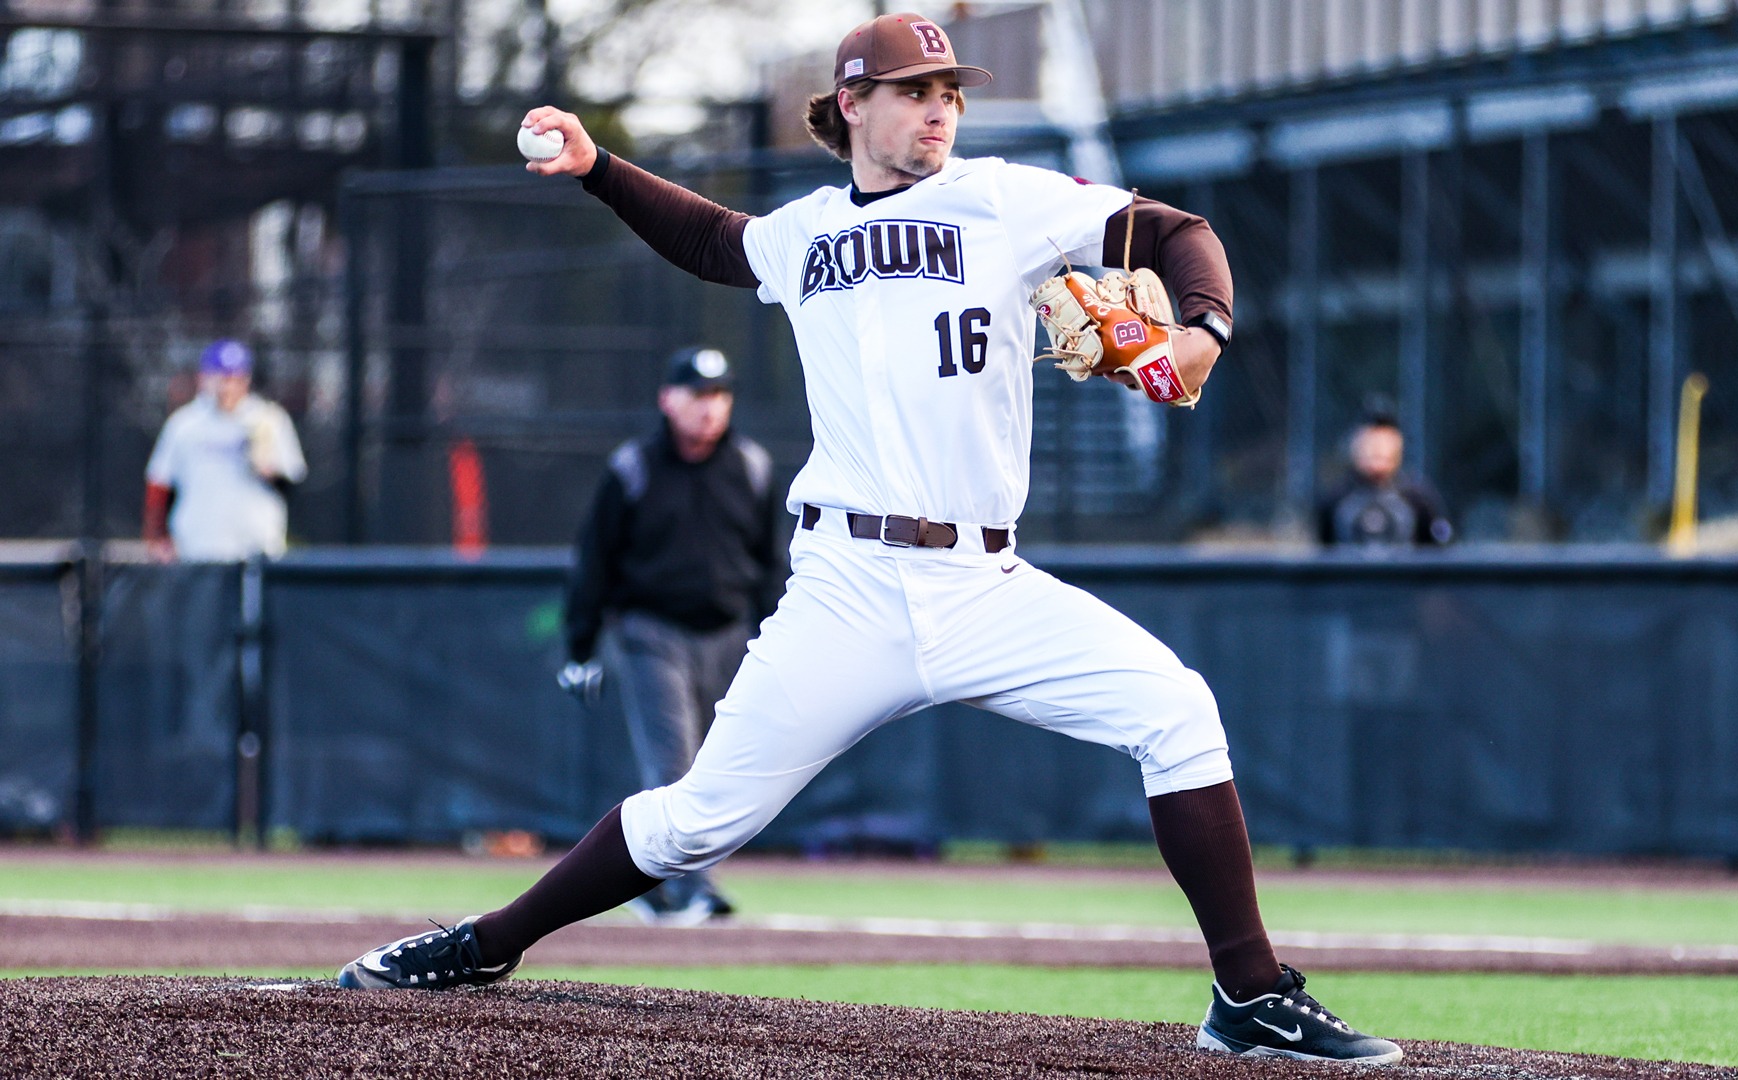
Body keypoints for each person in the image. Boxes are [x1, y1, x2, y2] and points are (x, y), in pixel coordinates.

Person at [338, 12, 1400, 1066]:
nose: (939, 109)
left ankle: (1250, 994)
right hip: (849, 582)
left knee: (1176, 713)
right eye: (914, 91)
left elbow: (1176, 233)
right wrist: (596, 167)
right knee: (697, 822)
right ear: (853, 104)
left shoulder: (1007, 200)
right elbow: (713, 241)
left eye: (949, 93)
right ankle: (484, 944)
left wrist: (1200, 326)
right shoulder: (805, 232)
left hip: (988, 581)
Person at [557, 345, 779, 925]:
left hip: (729, 634)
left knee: (718, 766)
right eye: (698, 395)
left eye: (720, 395)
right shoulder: (633, 467)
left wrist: (775, 634)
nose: (710, 408)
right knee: (675, 763)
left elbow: (766, 562)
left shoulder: (751, 466)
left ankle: (650, 883)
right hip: (651, 633)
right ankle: (692, 887)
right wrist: (580, 647)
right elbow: (593, 561)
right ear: (668, 400)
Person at [143, 340, 307, 562]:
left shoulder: (268, 420)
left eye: (234, 379)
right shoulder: (185, 424)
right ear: (203, 379)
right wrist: (156, 537)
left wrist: (266, 469)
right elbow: (160, 483)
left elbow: (292, 480)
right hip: (196, 548)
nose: (227, 387)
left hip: (255, 549)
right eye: (220, 378)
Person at [1317, 405, 1452, 548]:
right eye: (1370, 441)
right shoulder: (1334, 500)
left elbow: (1443, 551)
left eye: (1385, 441)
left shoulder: (1419, 500)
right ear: (1356, 444)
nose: (1378, 448)